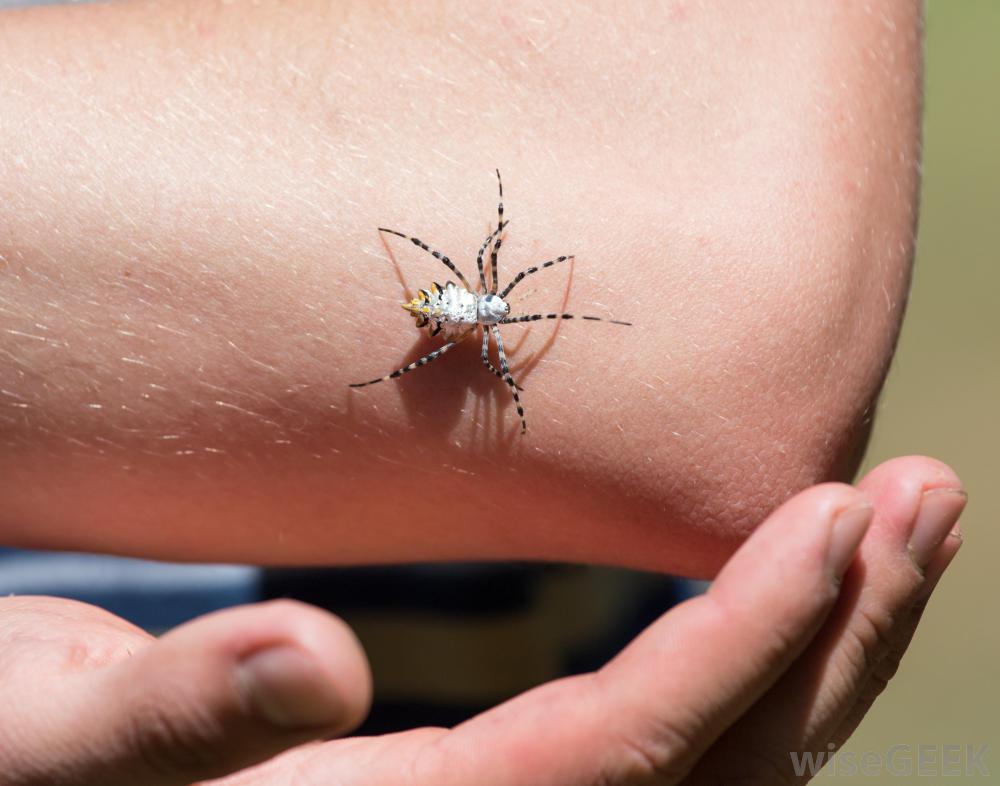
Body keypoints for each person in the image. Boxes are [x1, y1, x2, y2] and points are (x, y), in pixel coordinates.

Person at [0, 1, 961, 783]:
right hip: (438, 378)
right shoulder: (478, 330)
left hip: (445, 628)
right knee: (452, 352)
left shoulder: (481, 330)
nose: (509, 326)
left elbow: (731, 378)